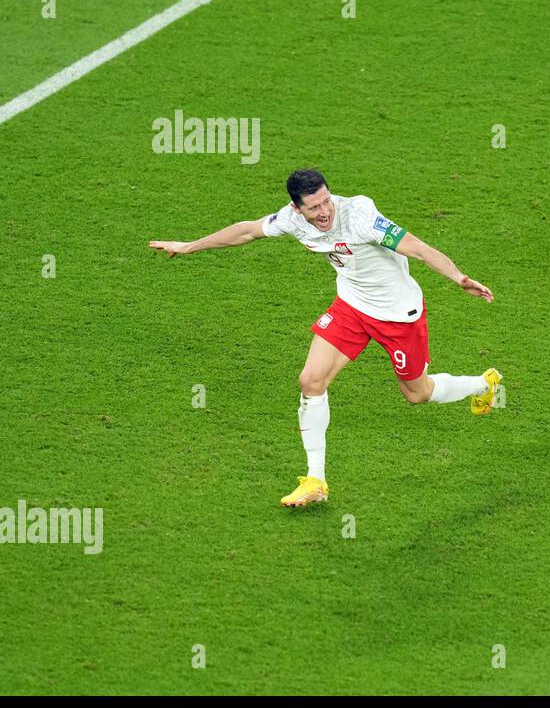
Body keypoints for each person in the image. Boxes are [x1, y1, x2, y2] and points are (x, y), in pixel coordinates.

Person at [149, 169, 501, 507]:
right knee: (311, 380)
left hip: (397, 314)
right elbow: (246, 232)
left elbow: (418, 247)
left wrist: (460, 278)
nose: (324, 213)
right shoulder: (290, 220)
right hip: (351, 306)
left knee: (417, 394)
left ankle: (482, 385)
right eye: (314, 207)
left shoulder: (360, 215)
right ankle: (315, 479)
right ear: (296, 209)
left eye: (326, 202)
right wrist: (189, 246)